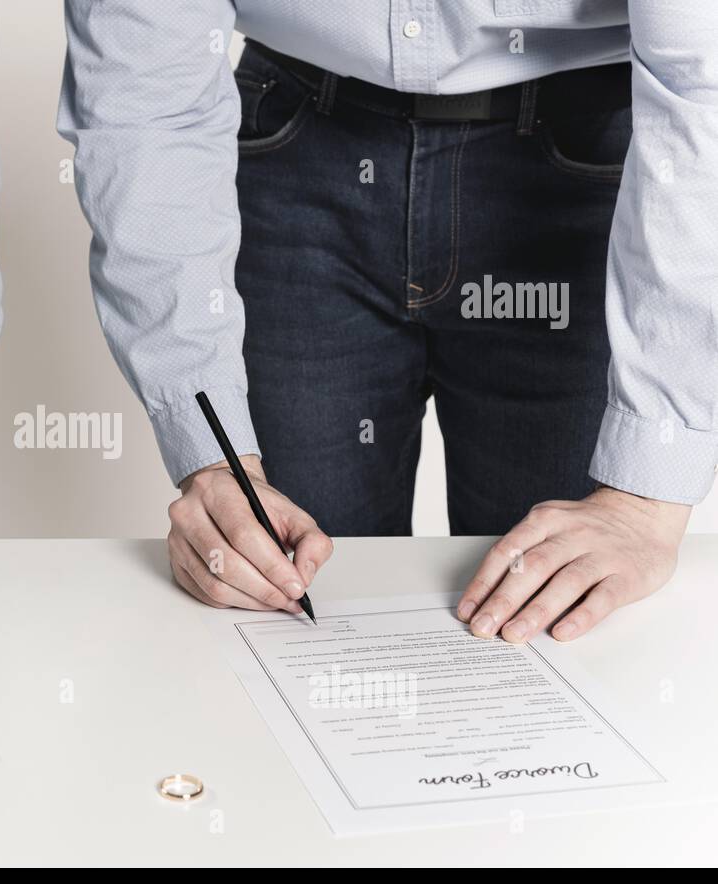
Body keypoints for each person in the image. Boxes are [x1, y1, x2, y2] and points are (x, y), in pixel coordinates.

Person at [58, 1, 713, 640]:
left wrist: (644, 501)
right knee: (279, 608)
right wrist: (211, 456)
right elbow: (143, 83)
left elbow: (701, 71)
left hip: (585, 162)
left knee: (560, 625)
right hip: (294, 140)